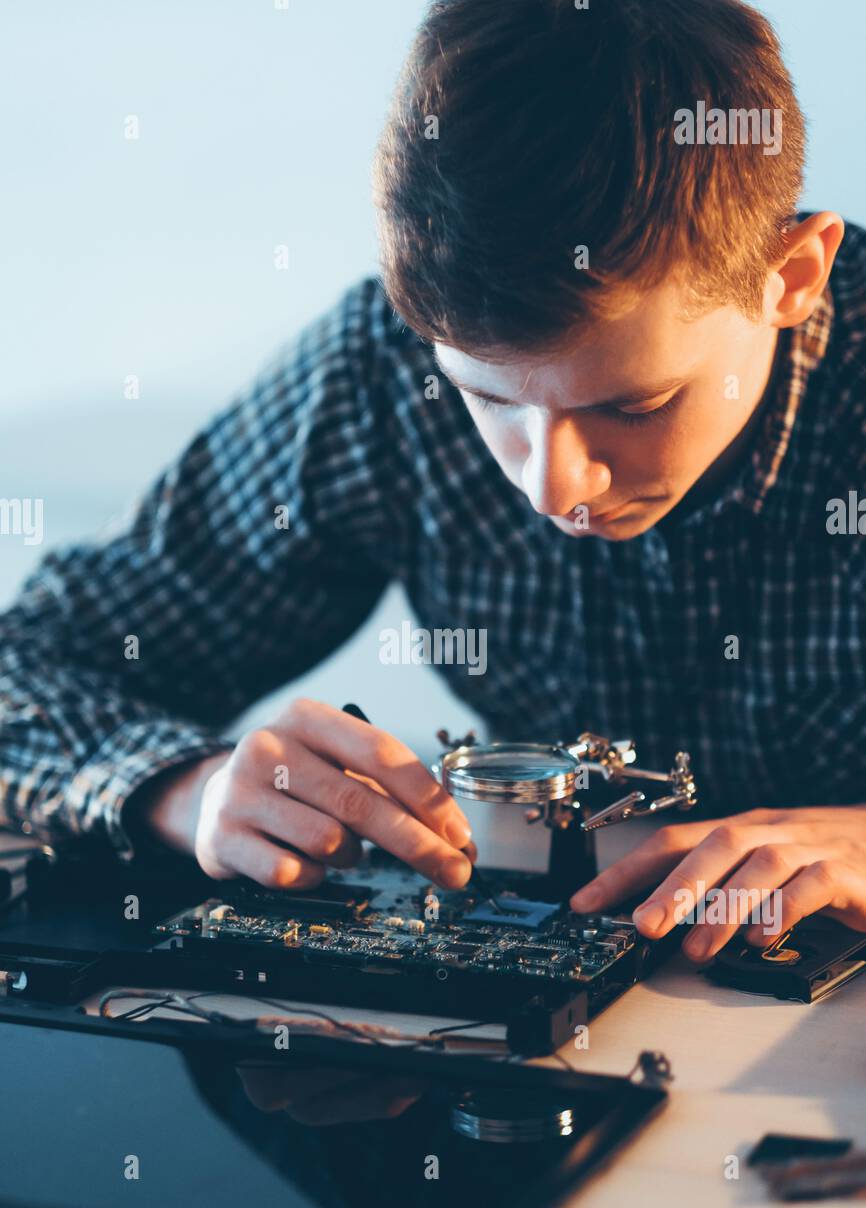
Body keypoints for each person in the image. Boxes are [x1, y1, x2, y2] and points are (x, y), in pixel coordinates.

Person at [1, 0, 864, 964]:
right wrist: (184, 786)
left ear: (793, 276)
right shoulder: (381, 369)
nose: (553, 488)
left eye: (634, 405)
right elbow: (25, 669)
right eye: (488, 400)